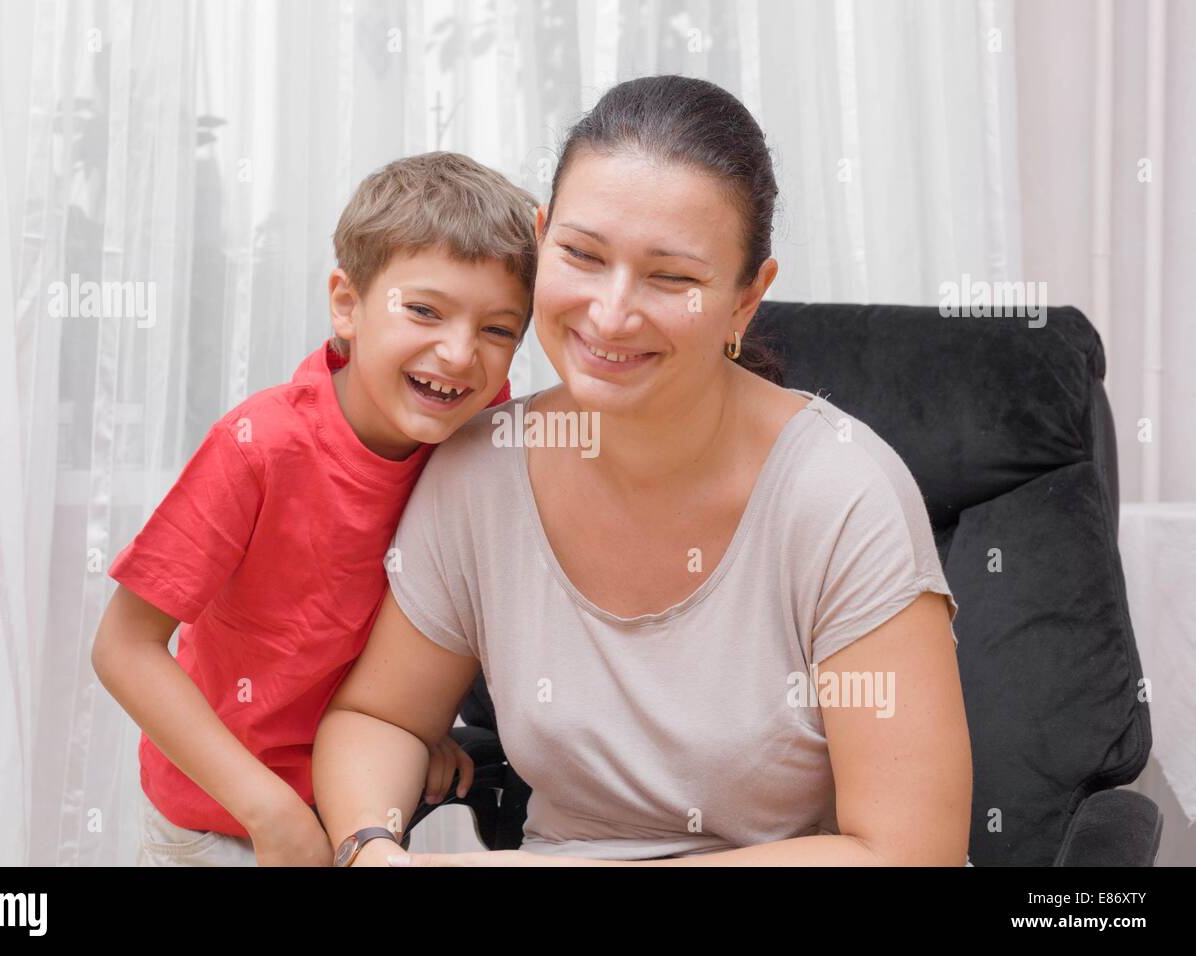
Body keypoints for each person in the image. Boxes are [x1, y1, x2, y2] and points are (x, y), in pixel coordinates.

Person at [314, 76, 973, 867]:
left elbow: (910, 853)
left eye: (672, 278)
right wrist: (370, 846)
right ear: (542, 235)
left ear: (744, 299)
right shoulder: (479, 471)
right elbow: (380, 718)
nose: (611, 313)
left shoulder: (842, 494)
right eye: (582, 256)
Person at [91, 151, 539, 865]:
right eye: (423, 310)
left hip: (352, 813)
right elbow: (123, 647)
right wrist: (266, 808)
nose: (459, 354)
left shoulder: (481, 437)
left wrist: (418, 729)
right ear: (347, 304)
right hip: (225, 821)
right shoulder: (258, 446)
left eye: (497, 330)